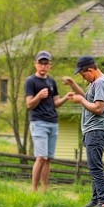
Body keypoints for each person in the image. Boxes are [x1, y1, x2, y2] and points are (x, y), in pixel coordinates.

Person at [62, 56, 104, 207]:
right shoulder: (95, 83)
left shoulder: (100, 83)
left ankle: (103, 203)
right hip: (92, 130)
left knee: (95, 167)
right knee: (93, 166)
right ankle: (95, 200)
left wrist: (80, 101)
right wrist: (73, 85)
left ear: (90, 70)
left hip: (96, 130)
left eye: (83, 75)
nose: (83, 78)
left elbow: (98, 108)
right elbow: (87, 98)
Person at [25, 50, 69, 191]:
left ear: (50, 65)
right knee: (41, 157)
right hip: (39, 122)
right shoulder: (31, 81)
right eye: (40, 63)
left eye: (46, 63)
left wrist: (66, 98)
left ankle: (44, 189)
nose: (43, 66)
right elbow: (29, 105)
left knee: (48, 158)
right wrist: (38, 96)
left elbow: (55, 103)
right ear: (35, 64)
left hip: (53, 122)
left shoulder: (51, 82)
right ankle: (34, 190)